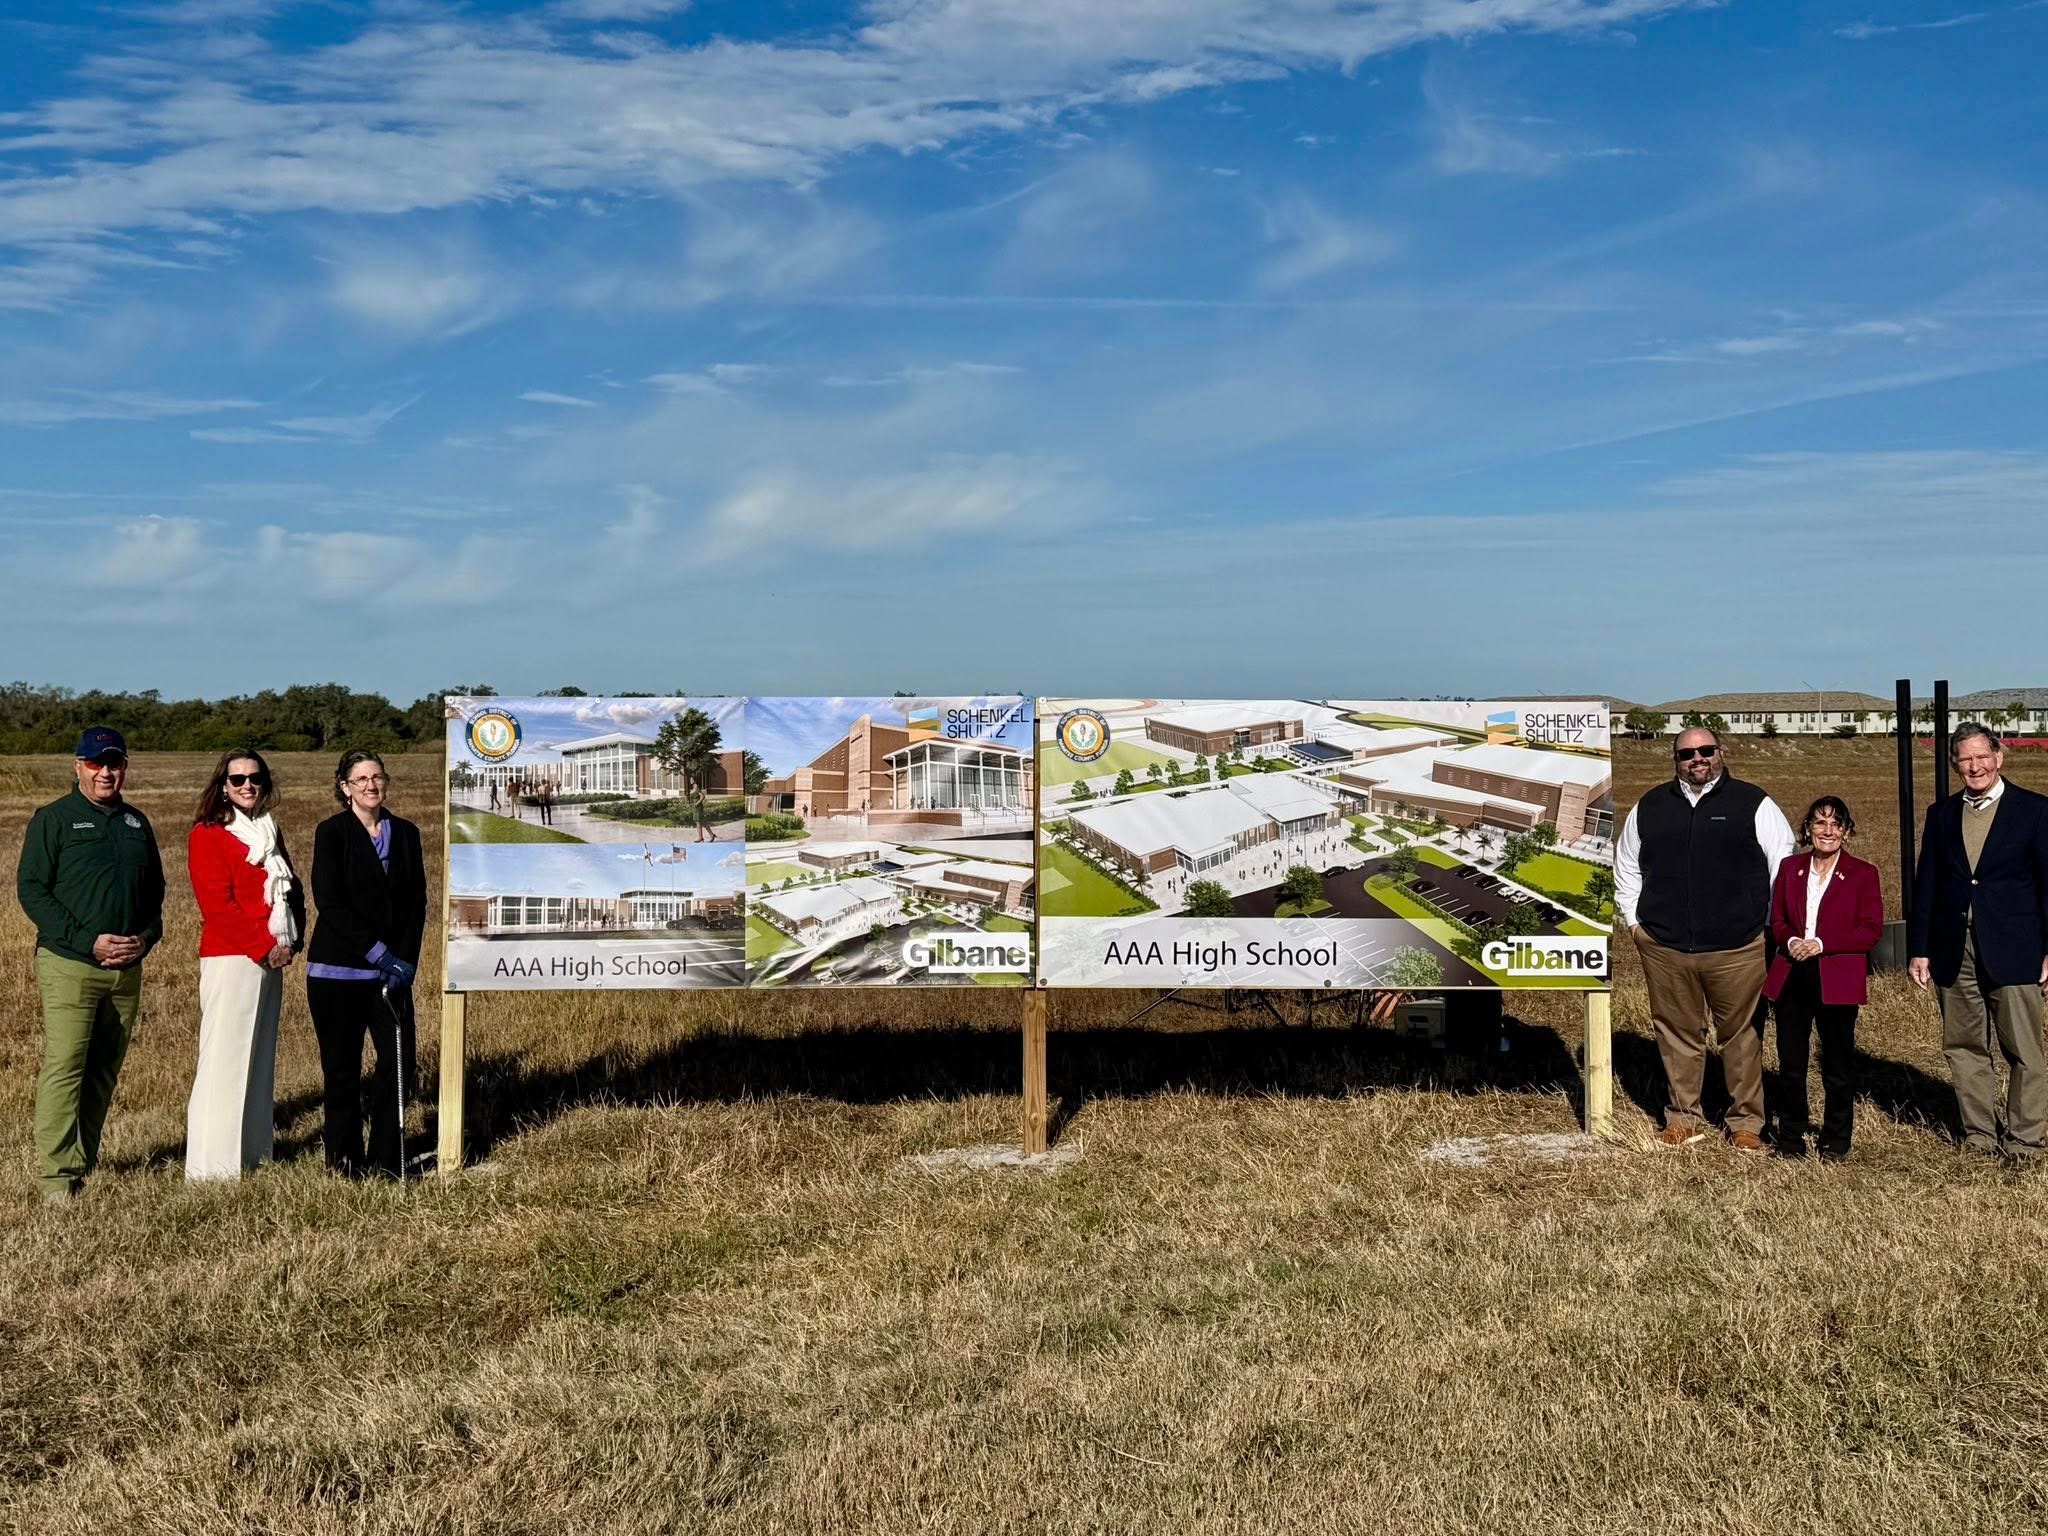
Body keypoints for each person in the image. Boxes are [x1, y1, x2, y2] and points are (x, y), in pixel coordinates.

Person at [1615, 727, 1796, 1151]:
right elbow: (1626, 867)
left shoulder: (1754, 803)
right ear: (1675, 760)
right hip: (1665, 946)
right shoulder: (1650, 806)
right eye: (1686, 753)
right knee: (1676, 1034)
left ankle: (1746, 1123)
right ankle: (1682, 1117)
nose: (1697, 759)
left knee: (1742, 1036)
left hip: (1739, 947)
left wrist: (1767, 928)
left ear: (1721, 752)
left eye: (1705, 750)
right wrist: (1635, 925)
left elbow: (1783, 867)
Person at [15, 727, 165, 1202]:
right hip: (70, 964)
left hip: (126, 968)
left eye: (114, 763)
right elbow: (32, 890)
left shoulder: (136, 823)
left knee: (104, 1069)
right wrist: (88, 941)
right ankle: (57, 1177)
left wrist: (144, 939)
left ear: (125, 767)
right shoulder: (54, 819)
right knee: (66, 1065)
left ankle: (85, 1162)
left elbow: (156, 894)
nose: (106, 772)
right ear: (78, 766)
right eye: (96, 763)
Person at [1909, 722, 2048, 1161]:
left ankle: (2024, 1140)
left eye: (1982, 756)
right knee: (1964, 1047)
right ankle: (1980, 1136)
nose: (1975, 766)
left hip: (2016, 948)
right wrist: (1919, 948)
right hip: (1954, 948)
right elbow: (1927, 884)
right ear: (1955, 765)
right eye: (1965, 759)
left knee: (2023, 1050)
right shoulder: (1941, 814)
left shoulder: (2035, 810)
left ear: (1999, 757)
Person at [306, 749, 428, 1178]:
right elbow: (330, 903)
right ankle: (344, 1162)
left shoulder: (407, 833)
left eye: (377, 777)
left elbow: (416, 903)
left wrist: (405, 961)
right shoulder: (332, 833)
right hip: (337, 974)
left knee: (398, 1064)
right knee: (342, 1070)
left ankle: (387, 1161)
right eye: (361, 779)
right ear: (345, 787)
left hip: (393, 977)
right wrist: (379, 954)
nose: (371, 785)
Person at [185, 748, 304, 1180]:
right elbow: (218, 906)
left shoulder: (268, 829)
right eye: (237, 779)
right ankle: (212, 1168)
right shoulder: (208, 833)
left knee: (258, 1059)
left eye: (255, 778)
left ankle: (253, 1155)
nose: (247, 785)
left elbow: (289, 890)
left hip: (272, 956)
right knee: (224, 1061)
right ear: (223, 786)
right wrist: (263, 946)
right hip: (233, 956)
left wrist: (291, 940)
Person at [1761, 796, 1883, 1161]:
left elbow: (1870, 930)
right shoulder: (1790, 868)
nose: (1827, 831)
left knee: (1837, 1065)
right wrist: (1792, 941)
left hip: (1836, 977)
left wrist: (1821, 943)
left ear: (1846, 832)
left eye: (1835, 824)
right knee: (1791, 1063)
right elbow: (1778, 920)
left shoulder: (1863, 874)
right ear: (1808, 829)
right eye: (1819, 823)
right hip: (1793, 974)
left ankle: (1835, 1138)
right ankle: (1791, 1136)